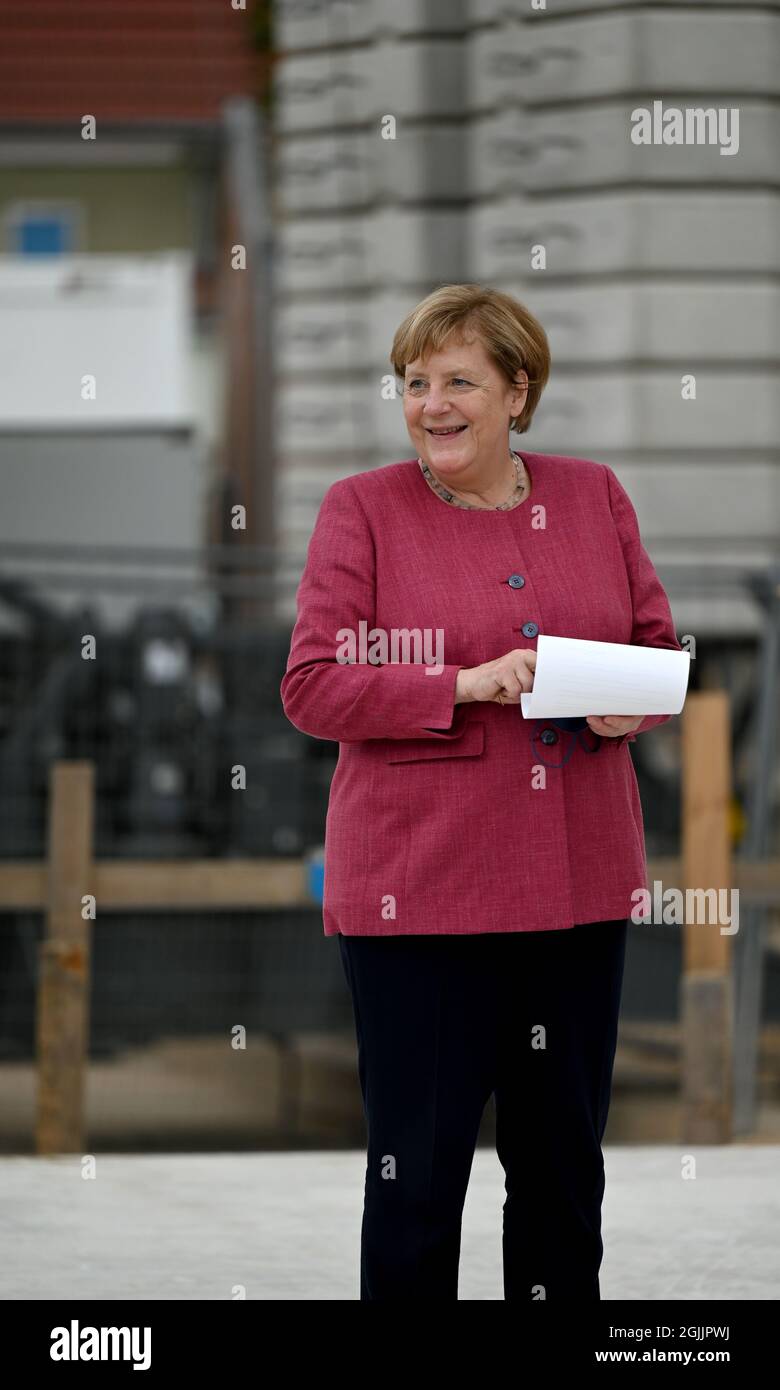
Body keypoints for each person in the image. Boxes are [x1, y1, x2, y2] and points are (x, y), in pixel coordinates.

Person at [280, 284, 682, 1300]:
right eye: (415, 382)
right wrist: (462, 683)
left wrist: (626, 705)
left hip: (576, 890)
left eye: (460, 379)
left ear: (519, 391)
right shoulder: (361, 511)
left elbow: (653, 646)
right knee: (418, 1180)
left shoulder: (592, 496)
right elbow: (313, 686)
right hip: (421, 900)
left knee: (561, 1174)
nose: (432, 402)